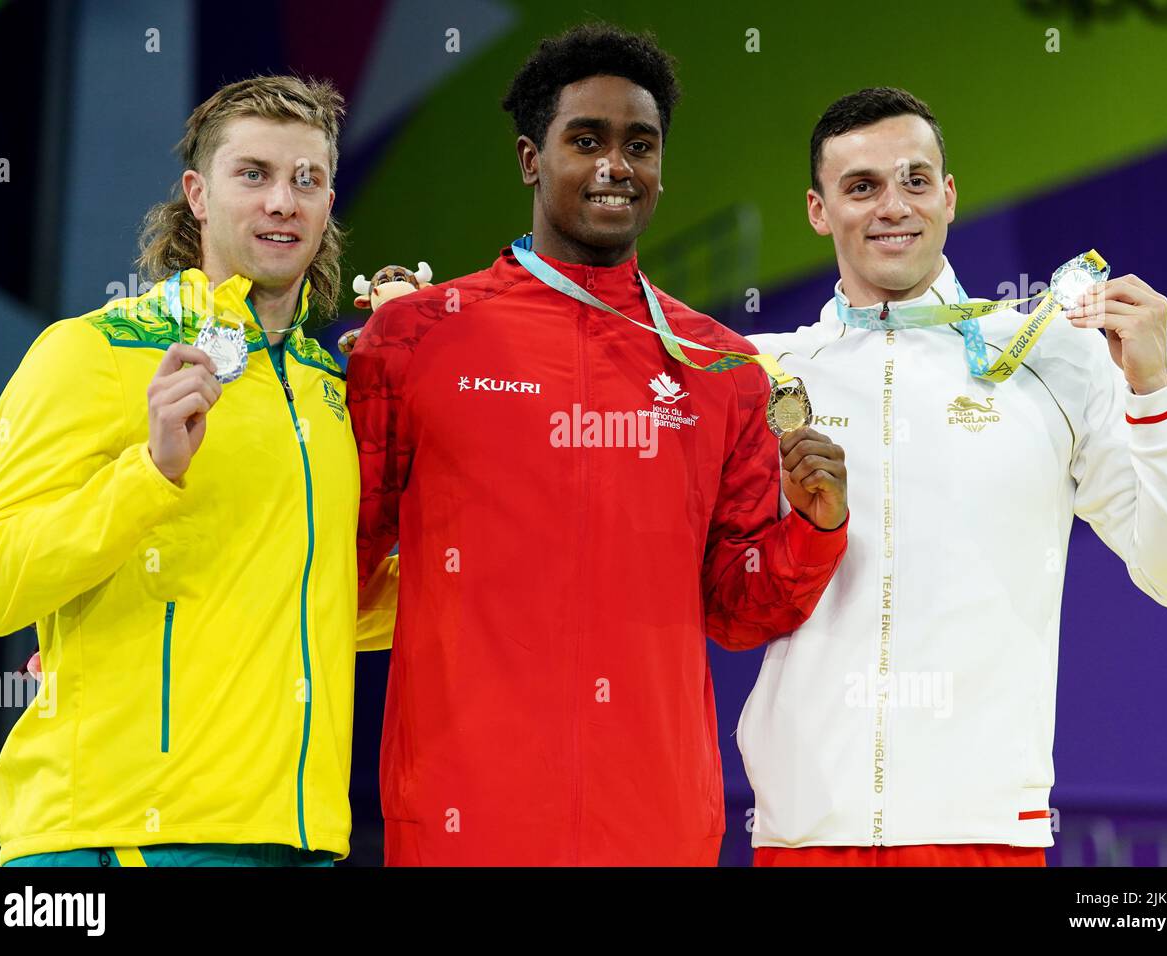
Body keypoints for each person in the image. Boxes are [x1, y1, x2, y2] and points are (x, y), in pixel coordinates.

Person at [347, 23, 850, 866]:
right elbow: (339, 568)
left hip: (656, 822)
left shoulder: (720, 365)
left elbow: (736, 608)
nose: (617, 166)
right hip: (462, 817)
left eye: (640, 145)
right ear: (528, 158)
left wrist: (812, 528)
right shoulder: (413, 340)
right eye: (587, 140)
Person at [738, 87, 1167, 866]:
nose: (893, 205)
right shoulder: (767, 373)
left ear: (950, 195)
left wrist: (1154, 394)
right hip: (803, 835)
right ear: (818, 210)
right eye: (861, 187)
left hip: (985, 837)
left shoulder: (1053, 356)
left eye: (916, 180)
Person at [0, 74, 396, 867]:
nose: (282, 202)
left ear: (330, 202)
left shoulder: (329, 394)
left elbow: (318, 604)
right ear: (197, 194)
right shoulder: (92, 353)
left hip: (298, 839)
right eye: (253, 174)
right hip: (120, 838)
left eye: (308, 179)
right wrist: (149, 474)